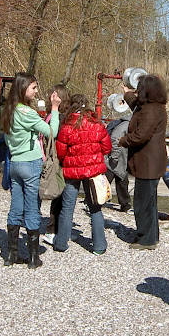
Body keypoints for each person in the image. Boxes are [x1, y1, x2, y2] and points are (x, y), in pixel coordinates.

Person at [0, 72, 61, 269]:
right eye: (33, 87)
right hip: (31, 163)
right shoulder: (27, 113)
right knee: (32, 208)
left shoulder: (8, 110)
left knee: (15, 208)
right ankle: (34, 257)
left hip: (15, 163)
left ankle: (11, 254)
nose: (36, 91)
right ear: (23, 88)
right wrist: (55, 108)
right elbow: (52, 131)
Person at [53, 94, 112, 254]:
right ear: (87, 106)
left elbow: (60, 152)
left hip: (72, 171)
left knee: (67, 207)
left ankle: (61, 243)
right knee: (95, 207)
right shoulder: (97, 124)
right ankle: (99, 246)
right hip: (93, 171)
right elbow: (107, 147)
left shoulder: (67, 126)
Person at [118, 75, 168, 250]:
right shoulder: (151, 107)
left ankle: (146, 239)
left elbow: (140, 135)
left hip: (148, 164)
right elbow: (136, 106)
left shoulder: (151, 111)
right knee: (148, 202)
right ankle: (151, 236)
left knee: (142, 204)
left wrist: (122, 141)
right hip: (151, 163)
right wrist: (126, 94)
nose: (137, 91)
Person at [45, 84, 71, 241]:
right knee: (58, 196)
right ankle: (53, 229)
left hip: (54, 158)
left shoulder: (54, 116)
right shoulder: (60, 119)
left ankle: (55, 228)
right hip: (57, 160)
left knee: (59, 196)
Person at [105, 111, 132, 211]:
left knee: (122, 181)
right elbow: (115, 139)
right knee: (107, 181)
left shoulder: (127, 124)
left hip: (120, 158)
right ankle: (93, 201)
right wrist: (114, 156)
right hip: (115, 158)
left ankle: (125, 204)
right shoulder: (126, 125)